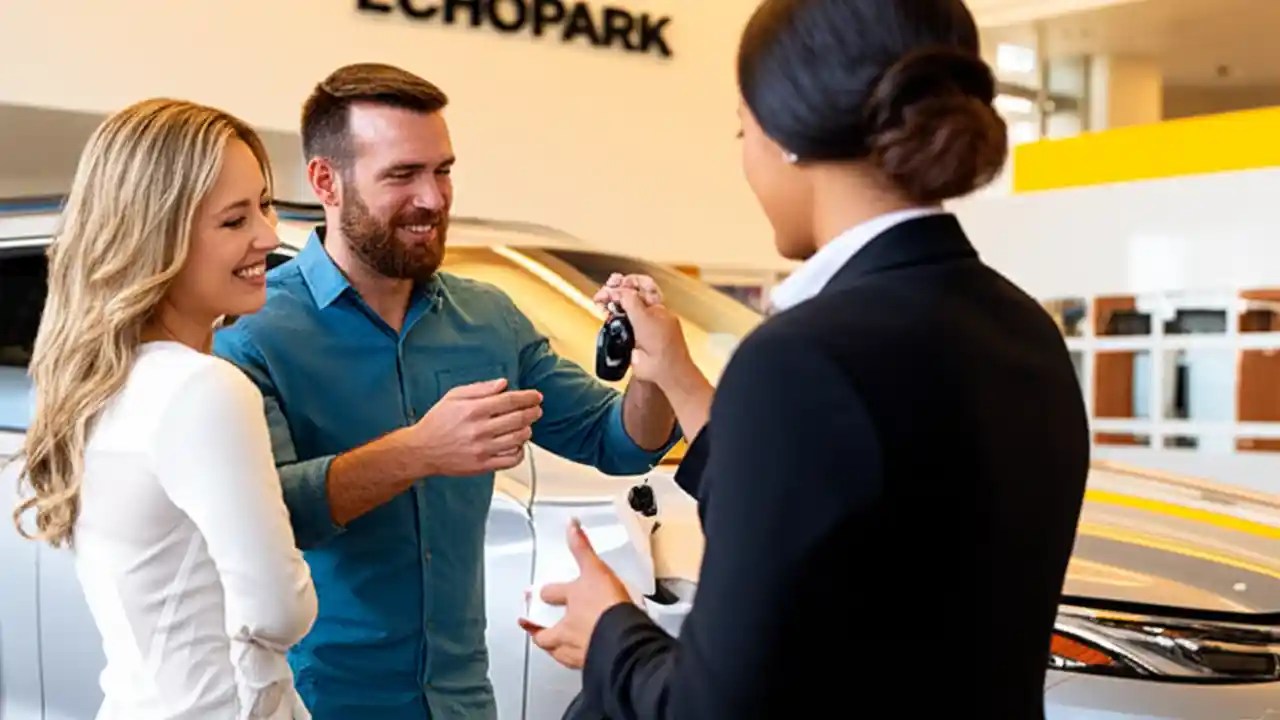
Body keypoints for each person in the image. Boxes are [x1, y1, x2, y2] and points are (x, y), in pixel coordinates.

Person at [524, 0, 1093, 718]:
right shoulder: (1022, 330)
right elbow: (848, 509)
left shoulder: (802, 356)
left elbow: (714, 708)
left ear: (786, 133)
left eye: (742, 128)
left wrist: (610, 632)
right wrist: (674, 373)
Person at [211, 62, 682, 720]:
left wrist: (655, 368)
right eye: (402, 175)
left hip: (461, 700)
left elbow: (619, 443)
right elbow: (268, 518)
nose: (433, 198)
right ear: (326, 181)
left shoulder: (490, 318)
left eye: (443, 170)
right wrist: (418, 451)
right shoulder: (255, 332)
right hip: (319, 702)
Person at [12, 98, 317, 719]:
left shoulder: (100, 384)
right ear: (156, 238)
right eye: (234, 221)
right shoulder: (203, 389)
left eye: (264, 205)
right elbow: (280, 608)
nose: (268, 235)